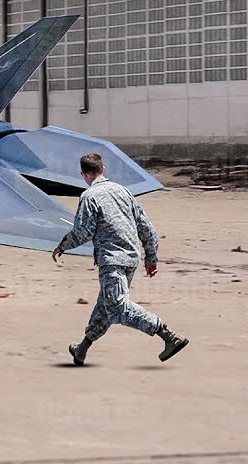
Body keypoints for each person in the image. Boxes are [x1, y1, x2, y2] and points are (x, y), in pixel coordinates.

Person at [53, 152, 188, 365]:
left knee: (117, 308)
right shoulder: (124, 191)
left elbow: (83, 232)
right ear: (103, 170)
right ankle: (82, 348)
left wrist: (62, 246)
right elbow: (146, 227)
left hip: (112, 260)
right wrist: (151, 257)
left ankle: (168, 335)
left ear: (83, 175)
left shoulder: (89, 197)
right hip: (131, 259)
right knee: (105, 306)